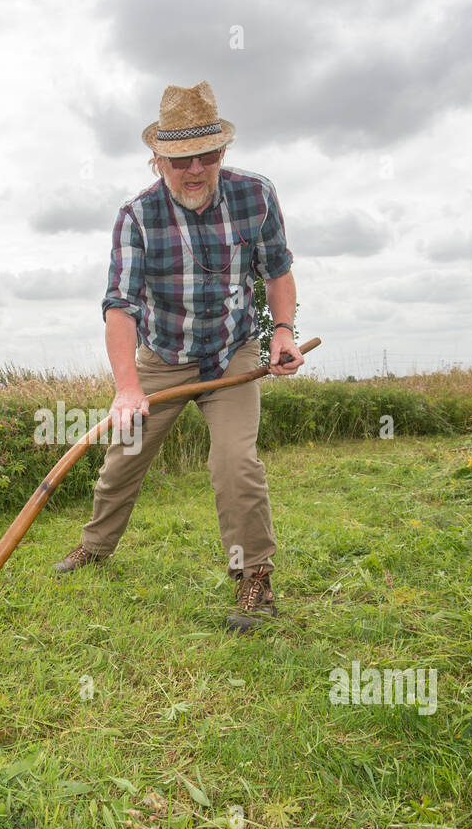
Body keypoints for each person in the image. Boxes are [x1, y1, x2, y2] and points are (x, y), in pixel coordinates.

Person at [54, 80, 303, 633]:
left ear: (222, 153)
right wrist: (127, 388)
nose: (195, 170)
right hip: (163, 356)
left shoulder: (256, 196)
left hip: (232, 354)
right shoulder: (137, 217)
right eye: (180, 160)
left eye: (206, 156)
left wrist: (282, 331)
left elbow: (278, 270)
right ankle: (95, 548)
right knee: (124, 456)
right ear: (158, 161)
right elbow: (119, 307)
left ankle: (253, 578)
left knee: (234, 462)